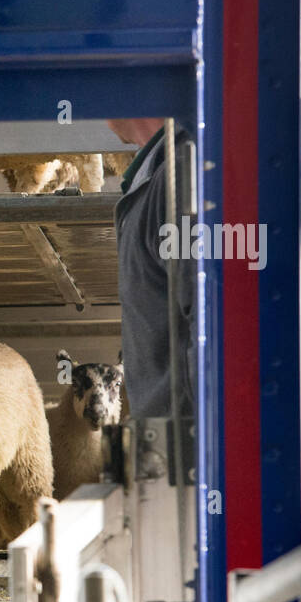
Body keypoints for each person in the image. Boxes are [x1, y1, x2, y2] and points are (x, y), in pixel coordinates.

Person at [106, 118, 195, 419]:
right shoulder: (162, 173)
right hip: (173, 440)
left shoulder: (185, 170)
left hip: (192, 444)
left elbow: (220, 318)